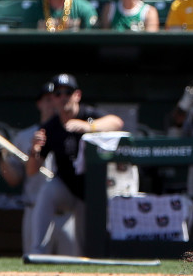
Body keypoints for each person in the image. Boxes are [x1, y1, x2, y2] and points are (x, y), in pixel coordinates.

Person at [28, 73, 124, 256]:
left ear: (77, 95)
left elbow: (117, 122)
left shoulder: (87, 115)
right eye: (58, 94)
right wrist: (34, 149)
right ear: (53, 99)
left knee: (85, 247)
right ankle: (37, 251)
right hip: (65, 185)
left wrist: (89, 127)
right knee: (46, 192)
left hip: (89, 191)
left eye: (68, 92)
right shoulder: (51, 127)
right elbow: (32, 170)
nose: (63, 97)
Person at [0, 83, 63, 255]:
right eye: (47, 99)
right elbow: (14, 179)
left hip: (64, 212)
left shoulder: (70, 132)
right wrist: (1, 159)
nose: (51, 104)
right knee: (35, 266)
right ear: (39, 103)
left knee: (70, 267)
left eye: (54, 98)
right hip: (35, 209)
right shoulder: (24, 136)